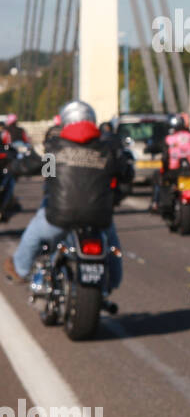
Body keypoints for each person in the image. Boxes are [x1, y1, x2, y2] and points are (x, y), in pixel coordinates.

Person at [4, 100, 125, 294]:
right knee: (113, 247)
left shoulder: (54, 147)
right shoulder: (107, 149)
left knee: (33, 235)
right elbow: (125, 175)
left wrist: (13, 167)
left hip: (59, 216)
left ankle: (20, 269)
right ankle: (113, 282)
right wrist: (115, 197)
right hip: (98, 217)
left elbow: (44, 173)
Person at [151, 114, 190, 212]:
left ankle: (155, 203)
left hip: (173, 172)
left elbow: (163, 155)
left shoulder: (169, 139)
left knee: (158, 177)